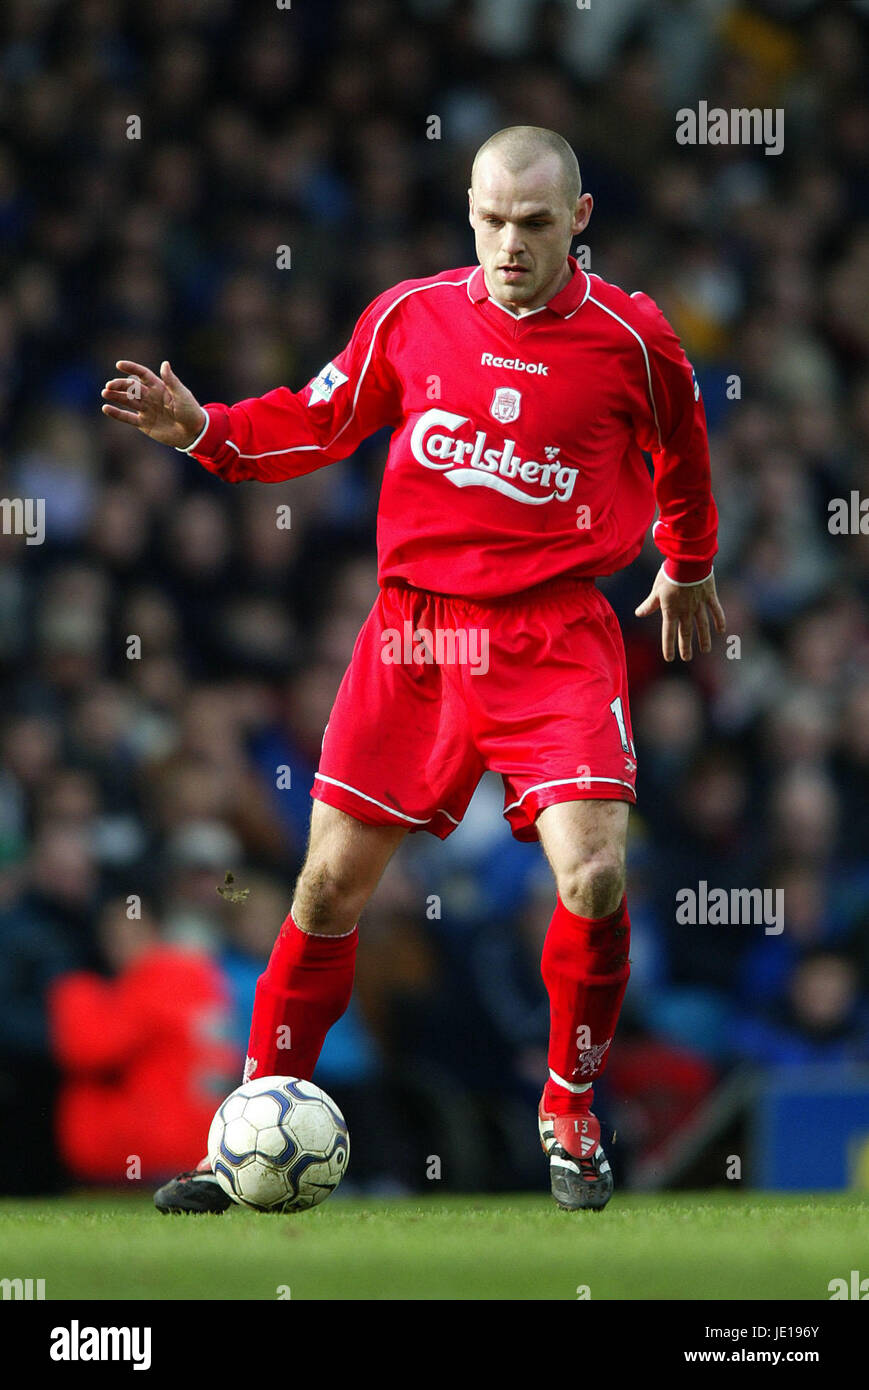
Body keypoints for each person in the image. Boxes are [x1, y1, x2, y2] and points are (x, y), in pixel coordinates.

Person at [101, 126, 725, 1213]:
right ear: (468, 211)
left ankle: (569, 1107)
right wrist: (203, 428)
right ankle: (249, 1126)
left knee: (593, 874)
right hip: (417, 639)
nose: (508, 244)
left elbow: (682, 449)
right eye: (490, 220)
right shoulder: (411, 314)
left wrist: (686, 562)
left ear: (577, 220)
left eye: (533, 224)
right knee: (327, 888)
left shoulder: (634, 338)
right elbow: (315, 420)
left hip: (554, 635)